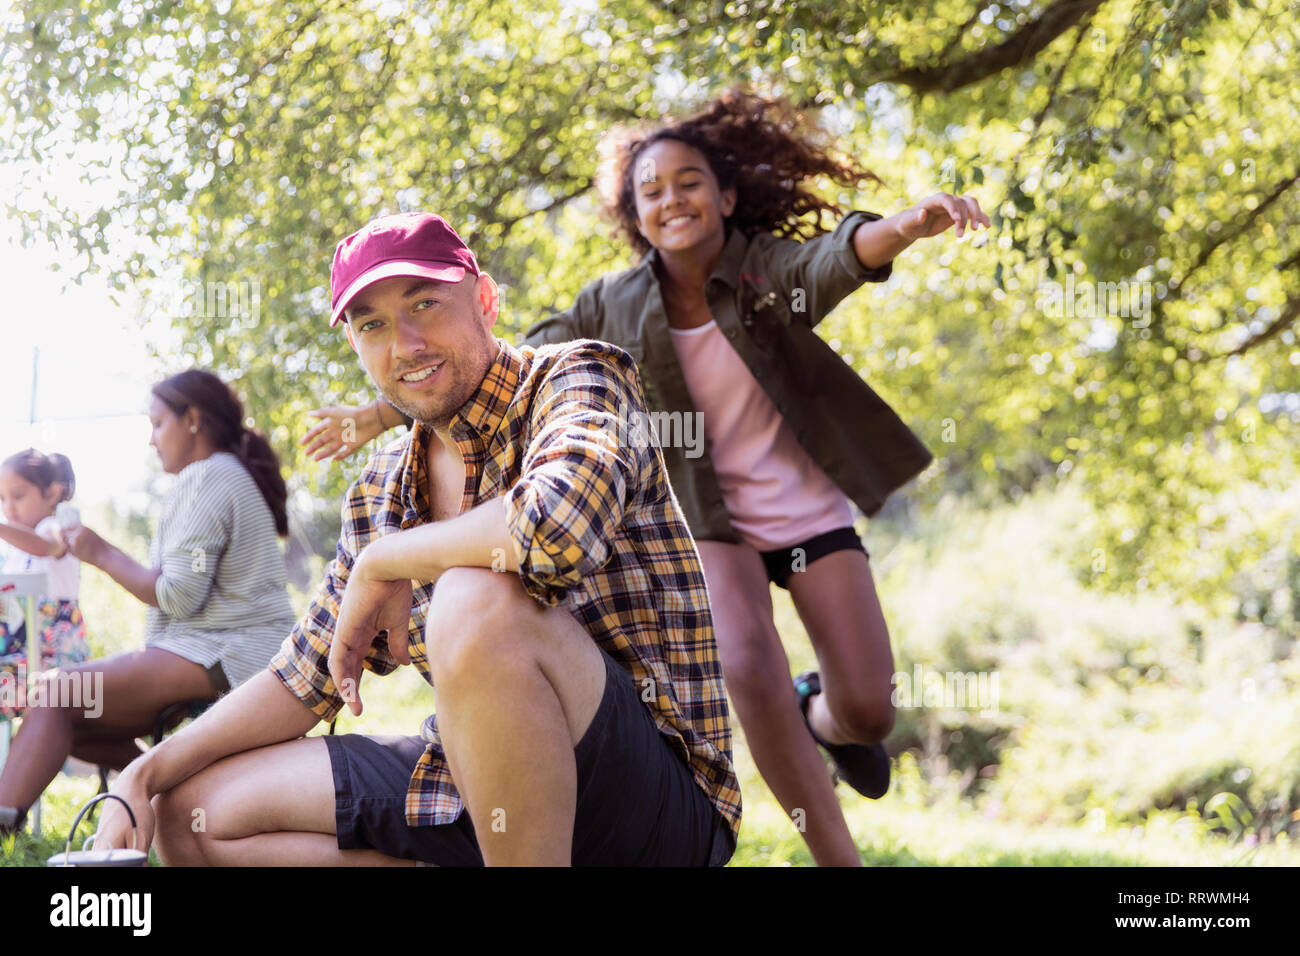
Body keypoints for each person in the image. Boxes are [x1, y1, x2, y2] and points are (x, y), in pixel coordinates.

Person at [302, 91, 989, 866]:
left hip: (804, 513)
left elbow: (831, 260)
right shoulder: (611, 303)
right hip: (709, 519)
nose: (672, 199)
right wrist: (383, 412)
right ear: (634, 214)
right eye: (651, 190)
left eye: (688, 182)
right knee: (745, 661)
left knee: (868, 706)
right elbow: (488, 361)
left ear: (725, 196)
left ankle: (820, 715)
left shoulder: (763, 268)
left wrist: (908, 225)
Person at [92, 211, 740, 866]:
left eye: (424, 303)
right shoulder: (381, 488)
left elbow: (556, 526)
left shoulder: (579, 379)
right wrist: (143, 775)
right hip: (474, 791)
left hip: (653, 815)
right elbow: (305, 673)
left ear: (484, 300)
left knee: (473, 598)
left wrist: (386, 559)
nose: (404, 344)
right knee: (193, 812)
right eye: (372, 324)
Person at [0, 371, 295, 836]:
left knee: (55, 693)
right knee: (74, 719)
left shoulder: (209, 478)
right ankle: (173, 802)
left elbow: (178, 594)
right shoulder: (215, 476)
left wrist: (101, 553)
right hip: (212, 648)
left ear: (192, 420)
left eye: (158, 424)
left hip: (230, 651)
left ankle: (2, 822)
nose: (152, 439)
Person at [0, 449, 91, 721]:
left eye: (18, 496)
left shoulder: (54, 529)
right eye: (2, 499)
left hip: (51, 666)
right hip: (18, 663)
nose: (8, 507)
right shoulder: (13, 554)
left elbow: (47, 546)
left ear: (51, 494)